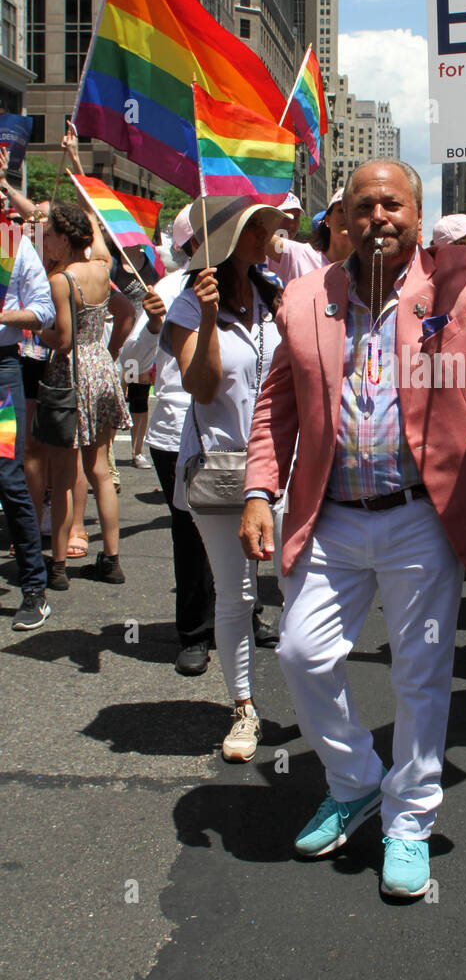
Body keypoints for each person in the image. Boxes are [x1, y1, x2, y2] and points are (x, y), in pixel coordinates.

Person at [240, 150, 466, 898]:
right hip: (332, 517)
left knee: (422, 676)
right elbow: (276, 408)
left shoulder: (457, 280)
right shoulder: (304, 298)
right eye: (364, 206)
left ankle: (410, 821)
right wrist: (261, 487)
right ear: (343, 220)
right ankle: (354, 779)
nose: (378, 216)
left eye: (393, 205)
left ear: (417, 219)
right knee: (300, 654)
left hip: (422, 519)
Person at [165, 196, 287, 755]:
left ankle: (320, 701)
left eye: (266, 226)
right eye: (255, 227)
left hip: (285, 464)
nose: (267, 234)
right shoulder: (188, 306)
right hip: (220, 471)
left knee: (305, 585)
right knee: (235, 595)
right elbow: (204, 388)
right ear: (226, 239)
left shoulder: (276, 294)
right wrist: (211, 317)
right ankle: (243, 708)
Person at [119, 205, 215, 675]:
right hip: (176, 429)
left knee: (245, 528)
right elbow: (132, 362)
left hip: (233, 428)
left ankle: (246, 613)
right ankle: (194, 632)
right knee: (191, 532)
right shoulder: (167, 289)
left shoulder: (252, 285)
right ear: (190, 244)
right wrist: (154, 323)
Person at [38, 202, 131, 588]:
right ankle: (112, 559)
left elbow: (61, 338)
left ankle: (57, 567)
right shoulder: (101, 269)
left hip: (72, 372)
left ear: (64, 238)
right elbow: (127, 313)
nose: (46, 242)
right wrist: (109, 352)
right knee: (100, 472)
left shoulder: (63, 280)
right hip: (101, 368)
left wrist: (35, 332)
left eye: (49, 235)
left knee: (62, 477)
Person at [0, 210, 55, 629]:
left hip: (3, 372)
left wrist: (2, 315)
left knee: (8, 476)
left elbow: (43, 312)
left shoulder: (11, 244)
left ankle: (34, 589)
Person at [270, 190, 350, 284]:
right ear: (327, 219)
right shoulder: (299, 255)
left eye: (355, 211)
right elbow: (260, 237)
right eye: (341, 210)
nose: (347, 216)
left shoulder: (369, 269)